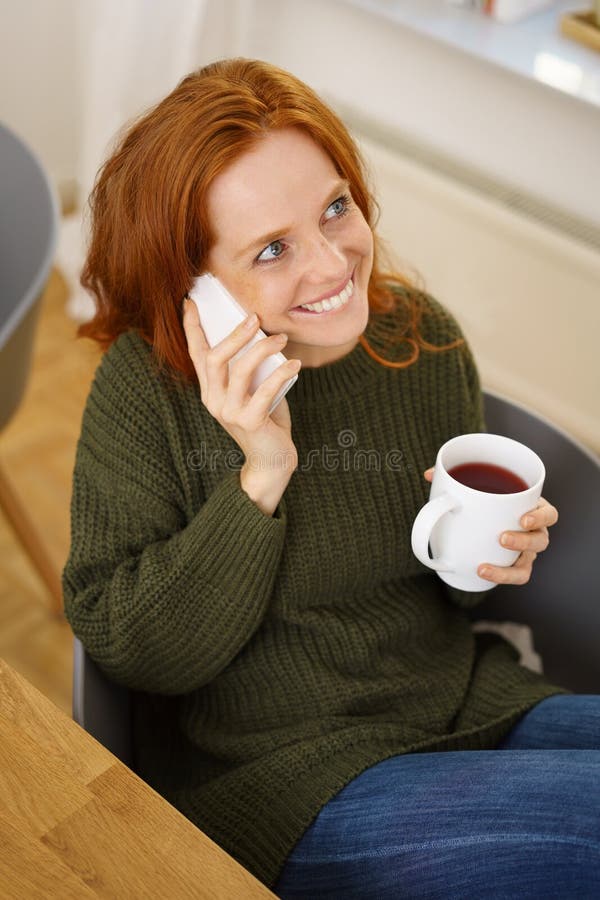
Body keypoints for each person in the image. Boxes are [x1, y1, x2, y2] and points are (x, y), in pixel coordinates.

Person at [63, 58, 599, 897]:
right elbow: (135, 656)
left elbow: (441, 594)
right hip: (283, 779)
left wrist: (491, 558)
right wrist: (261, 474)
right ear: (196, 287)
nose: (331, 264)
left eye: (335, 208)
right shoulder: (147, 394)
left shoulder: (423, 342)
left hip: (464, 702)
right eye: (273, 248)